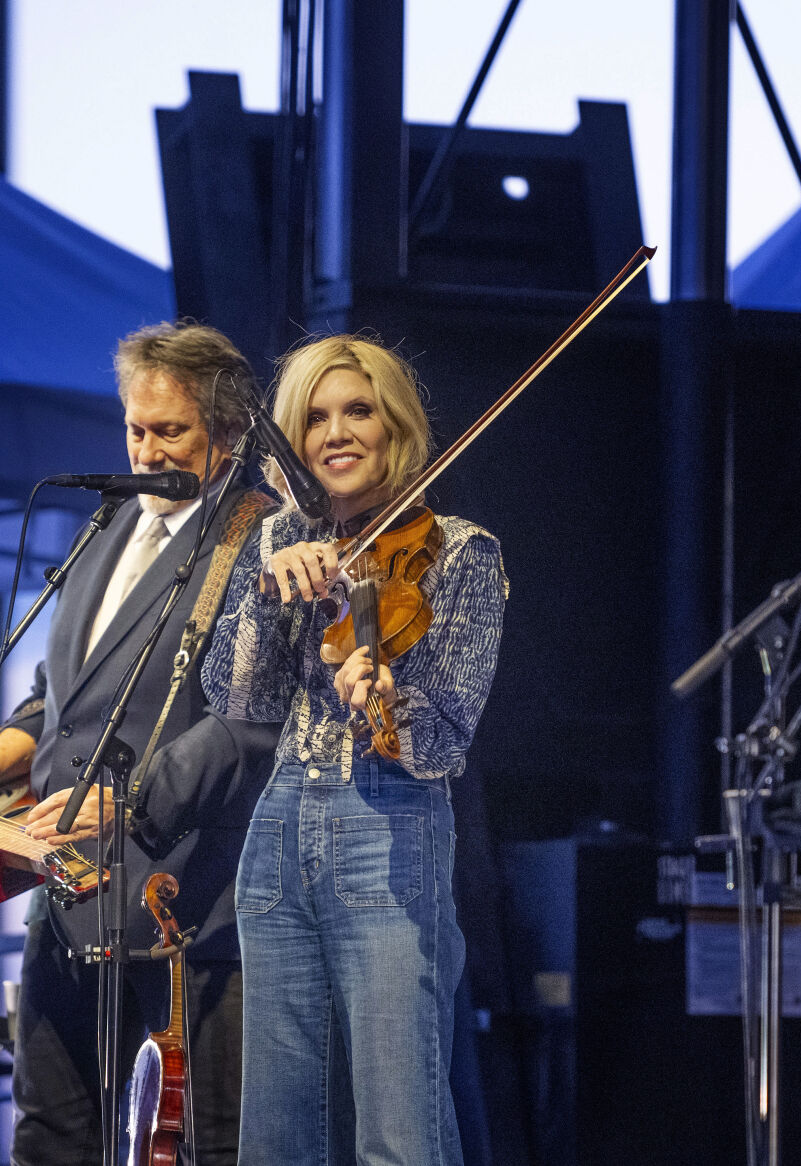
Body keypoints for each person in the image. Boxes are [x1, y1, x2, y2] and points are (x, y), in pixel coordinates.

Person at [0, 322, 279, 1166]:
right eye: (134, 429)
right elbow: (55, 700)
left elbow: (250, 724)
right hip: (65, 891)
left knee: (202, 1146)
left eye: (169, 432)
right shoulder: (105, 530)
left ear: (228, 436)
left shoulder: (255, 540)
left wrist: (137, 802)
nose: (144, 452)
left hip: (188, 902)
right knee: (50, 1133)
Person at [200, 334, 506, 1166]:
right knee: (275, 1137)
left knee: (399, 1134)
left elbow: (442, 743)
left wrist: (388, 701)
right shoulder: (276, 544)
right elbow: (234, 698)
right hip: (278, 830)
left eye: (358, 411)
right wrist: (267, 592)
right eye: (315, 418)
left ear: (394, 423)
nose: (336, 432)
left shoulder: (461, 551)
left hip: (391, 830)